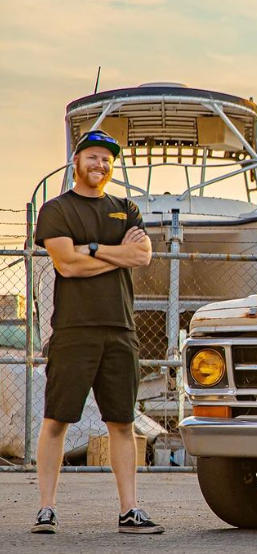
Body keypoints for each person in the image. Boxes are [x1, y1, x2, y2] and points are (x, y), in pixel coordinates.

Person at [30, 130, 163, 534]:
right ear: (77, 161)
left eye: (106, 159)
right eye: (92, 157)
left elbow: (141, 255)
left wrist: (89, 248)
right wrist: (112, 253)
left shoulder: (126, 208)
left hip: (120, 329)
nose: (100, 166)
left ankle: (129, 511)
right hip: (74, 330)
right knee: (57, 420)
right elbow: (66, 265)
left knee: (122, 423)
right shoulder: (56, 210)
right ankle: (46, 509)